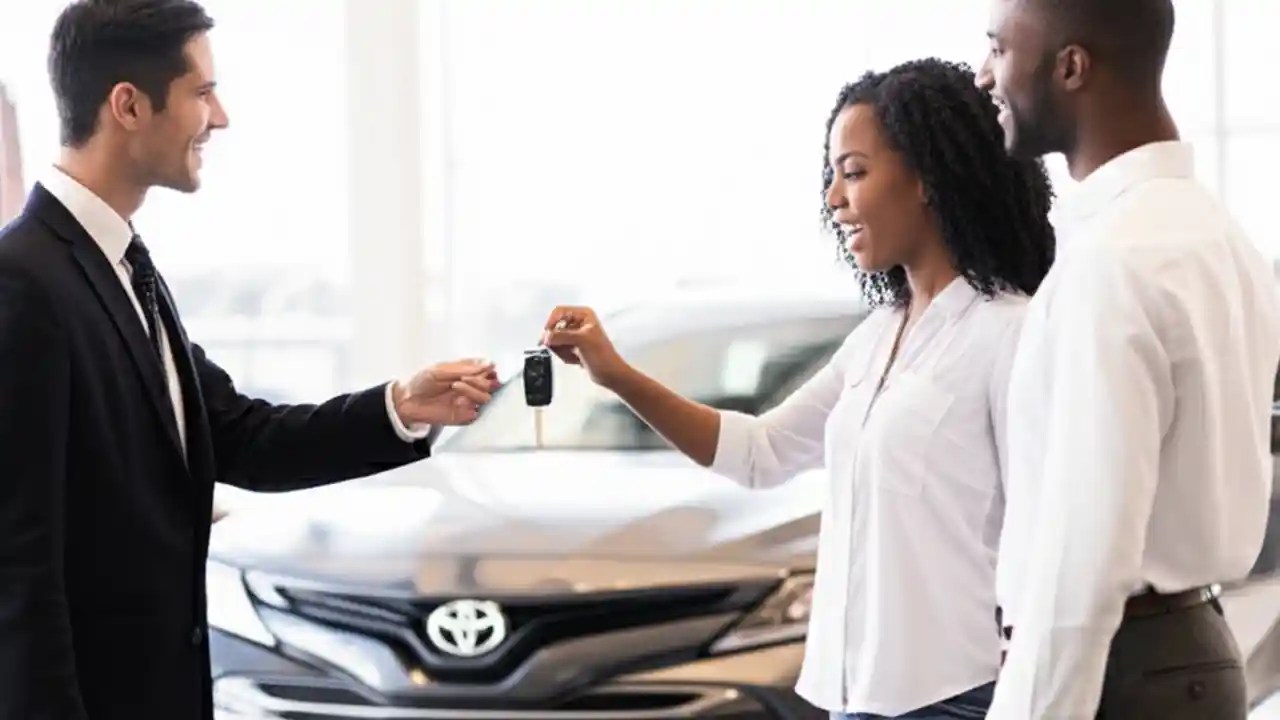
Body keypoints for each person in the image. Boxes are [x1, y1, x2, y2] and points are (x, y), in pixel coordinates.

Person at [0, 2, 498, 719]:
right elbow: (21, 567)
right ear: (129, 106)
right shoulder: (23, 282)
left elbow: (239, 434)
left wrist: (400, 407)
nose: (221, 118)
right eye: (202, 92)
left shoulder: (123, 266)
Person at [540, 58, 1055, 720]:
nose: (834, 199)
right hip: (857, 696)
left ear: (928, 177)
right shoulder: (879, 335)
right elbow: (761, 453)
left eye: (855, 173)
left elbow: (1047, 533)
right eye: (832, 176)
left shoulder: (1011, 333)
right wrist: (615, 374)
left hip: (962, 697)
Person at [977, 0, 1280, 717]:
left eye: (999, 48)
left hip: (1118, 670)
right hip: (1184, 654)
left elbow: (1083, 556)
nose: (984, 74)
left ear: (1071, 67)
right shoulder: (1219, 236)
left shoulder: (1114, 259)